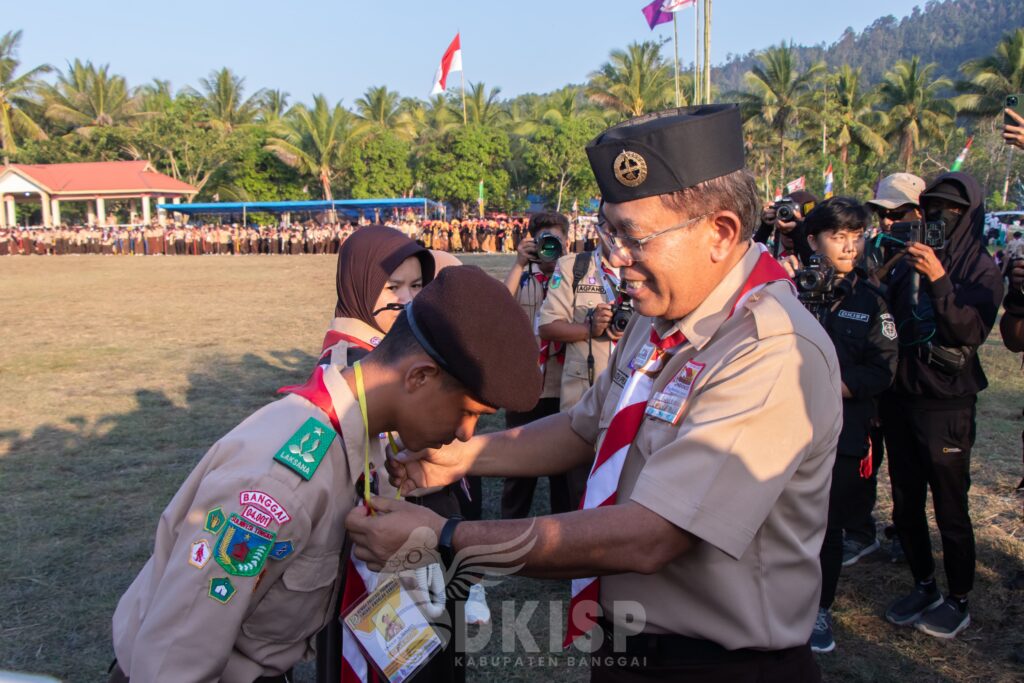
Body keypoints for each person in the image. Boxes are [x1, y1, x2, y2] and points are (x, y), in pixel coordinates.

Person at [348, 104, 842, 682]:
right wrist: (461, 458)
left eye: (635, 237)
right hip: (628, 641)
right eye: (609, 232)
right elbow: (585, 426)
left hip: (717, 665)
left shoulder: (768, 349)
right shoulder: (659, 314)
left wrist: (446, 536)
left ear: (720, 232)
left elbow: (652, 535)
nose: (615, 257)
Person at [108, 266, 541, 682]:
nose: (466, 434)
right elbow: (173, 663)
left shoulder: (363, 439)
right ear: (420, 377)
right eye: (467, 412)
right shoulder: (278, 486)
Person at [880, 172, 1003, 639]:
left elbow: (968, 330)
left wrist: (939, 279)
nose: (940, 215)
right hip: (900, 398)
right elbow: (887, 320)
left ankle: (959, 598)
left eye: (952, 209)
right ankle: (924, 584)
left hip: (947, 405)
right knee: (905, 503)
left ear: (970, 215)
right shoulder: (907, 257)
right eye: (932, 205)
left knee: (950, 508)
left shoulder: (982, 269)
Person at [787, 198, 898, 653]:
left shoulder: (871, 301)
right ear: (814, 241)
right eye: (838, 237)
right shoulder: (787, 292)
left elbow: (883, 370)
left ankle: (819, 610)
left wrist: (829, 384)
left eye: (857, 236)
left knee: (827, 527)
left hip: (842, 430)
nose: (850, 246)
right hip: (784, 425)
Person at [847, 172, 926, 566]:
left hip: (916, 385)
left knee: (908, 471)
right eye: (882, 213)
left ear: (920, 213)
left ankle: (904, 534)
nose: (888, 221)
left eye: (898, 213)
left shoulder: (931, 260)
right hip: (878, 378)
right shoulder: (873, 251)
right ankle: (861, 531)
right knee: (866, 460)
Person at [534, 210, 623, 510]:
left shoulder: (644, 268)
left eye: (625, 228)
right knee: (579, 494)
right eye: (611, 228)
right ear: (599, 229)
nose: (618, 237)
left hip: (628, 399)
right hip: (583, 401)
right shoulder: (574, 267)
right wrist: (589, 328)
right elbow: (547, 326)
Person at [499, 212, 571, 519]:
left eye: (557, 240)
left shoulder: (575, 276)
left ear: (567, 242)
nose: (551, 247)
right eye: (544, 241)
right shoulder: (524, 276)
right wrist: (518, 263)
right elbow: (498, 306)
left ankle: (563, 528)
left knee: (562, 467)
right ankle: (510, 525)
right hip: (526, 385)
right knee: (518, 465)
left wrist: (567, 264)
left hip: (562, 383)